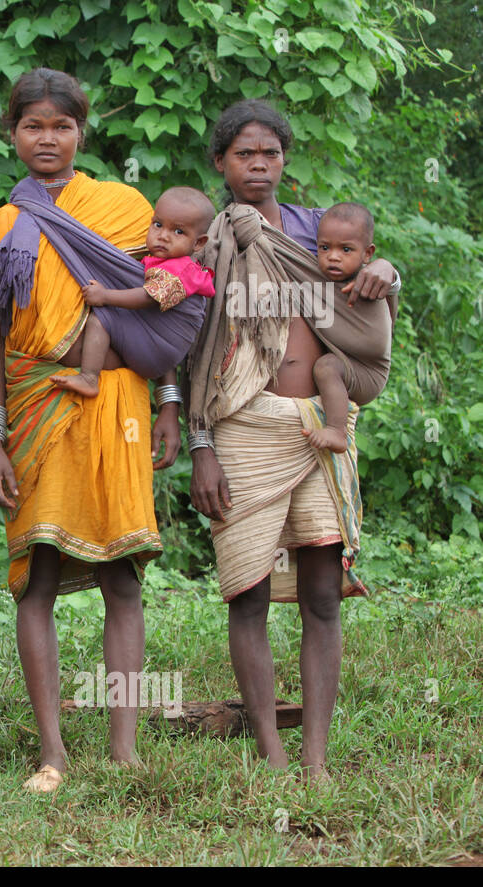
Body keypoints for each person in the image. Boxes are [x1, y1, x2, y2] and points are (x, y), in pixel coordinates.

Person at [0, 68, 184, 793]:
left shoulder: (125, 208)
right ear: (13, 134)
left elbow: (163, 312)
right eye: (33, 125)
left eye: (61, 126)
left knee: (121, 577)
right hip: (36, 400)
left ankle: (124, 745)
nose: (47, 138)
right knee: (34, 578)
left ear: (81, 133)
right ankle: (52, 750)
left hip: (116, 401)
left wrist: (168, 404)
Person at [186, 99, 398, 781]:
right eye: (244, 153)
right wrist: (200, 445)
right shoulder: (208, 238)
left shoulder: (315, 231)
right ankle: (271, 754)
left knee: (321, 596)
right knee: (247, 593)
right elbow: (181, 343)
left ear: (285, 160)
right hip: (244, 424)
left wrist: (388, 271)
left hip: (320, 427)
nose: (259, 164)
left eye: (271, 153)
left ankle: (315, 756)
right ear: (221, 162)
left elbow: (371, 266)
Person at [49, 186, 216, 398]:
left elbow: (149, 297)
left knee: (101, 319)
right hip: (146, 355)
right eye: (158, 225)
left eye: (178, 231)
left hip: (159, 348)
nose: (163, 236)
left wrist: (105, 296)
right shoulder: (158, 260)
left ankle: (89, 378)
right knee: (101, 338)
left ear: (199, 243)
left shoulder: (182, 269)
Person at [305, 201, 388, 451]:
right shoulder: (311, 273)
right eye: (325, 247)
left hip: (368, 370)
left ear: (367, 254)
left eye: (346, 250)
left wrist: (387, 270)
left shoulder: (370, 280)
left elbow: (388, 304)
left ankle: (337, 431)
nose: (333, 256)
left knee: (326, 366)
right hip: (347, 364)